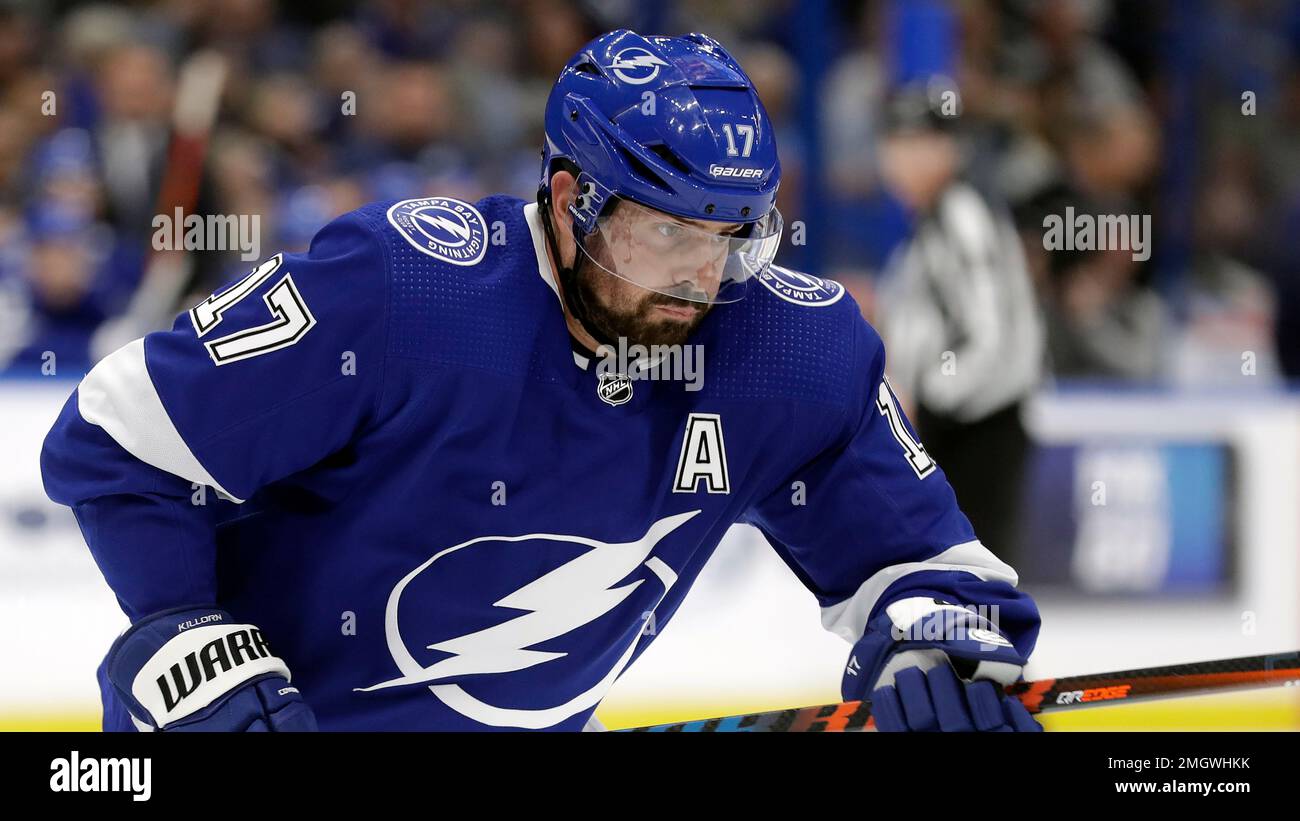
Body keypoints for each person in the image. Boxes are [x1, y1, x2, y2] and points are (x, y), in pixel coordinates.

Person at [41, 30, 1041, 732]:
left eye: (733, 235)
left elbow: (933, 567)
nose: (703, 277)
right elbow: (115, 437)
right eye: (666, 232)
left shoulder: (785, 348)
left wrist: (939, 642)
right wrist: (180, 629)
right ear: (570, 197)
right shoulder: (398, 293)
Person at [875, 81, 1044, 568]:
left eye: (913, 142)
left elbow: (987, 335)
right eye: (893, 142)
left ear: (945, 148)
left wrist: (924, 400)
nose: (897, 157)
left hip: (977, 431)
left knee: (971, 592)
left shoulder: (960, 215)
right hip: (963, 425)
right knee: (958, 591)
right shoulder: (936, 221)